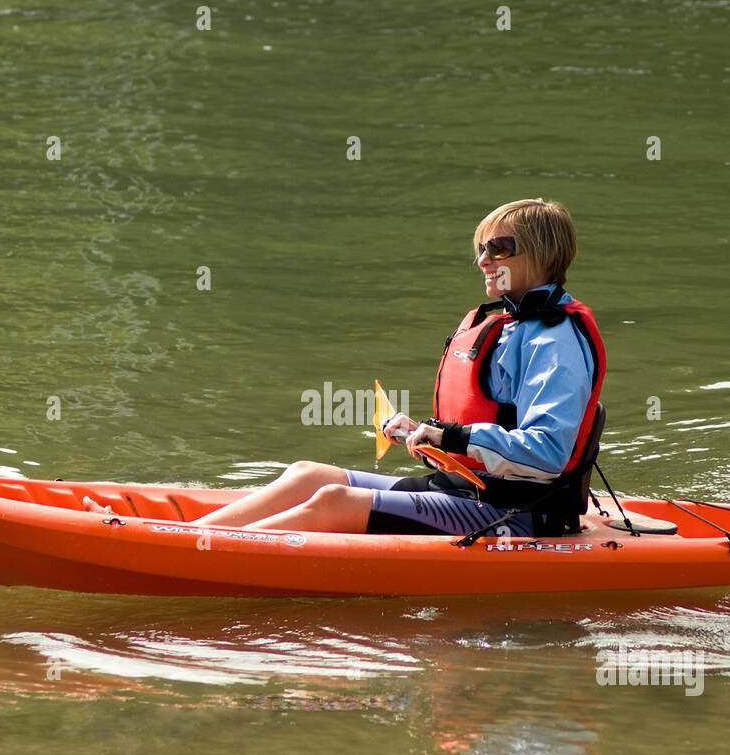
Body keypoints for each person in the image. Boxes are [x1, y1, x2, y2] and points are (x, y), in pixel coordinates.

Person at [194, 198, 605, 537]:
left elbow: (548, 454)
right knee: (308, 475)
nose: (482, 260)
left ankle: (194, 551)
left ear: (538, 255)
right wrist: (429, 438)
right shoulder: (511, 326)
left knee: (333, 501)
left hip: (518, 512)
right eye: (480, 248)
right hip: (468, 489)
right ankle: (186, 537)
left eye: (497, 248)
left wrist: (453, 436)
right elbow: (481, 436)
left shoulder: (555, 340)